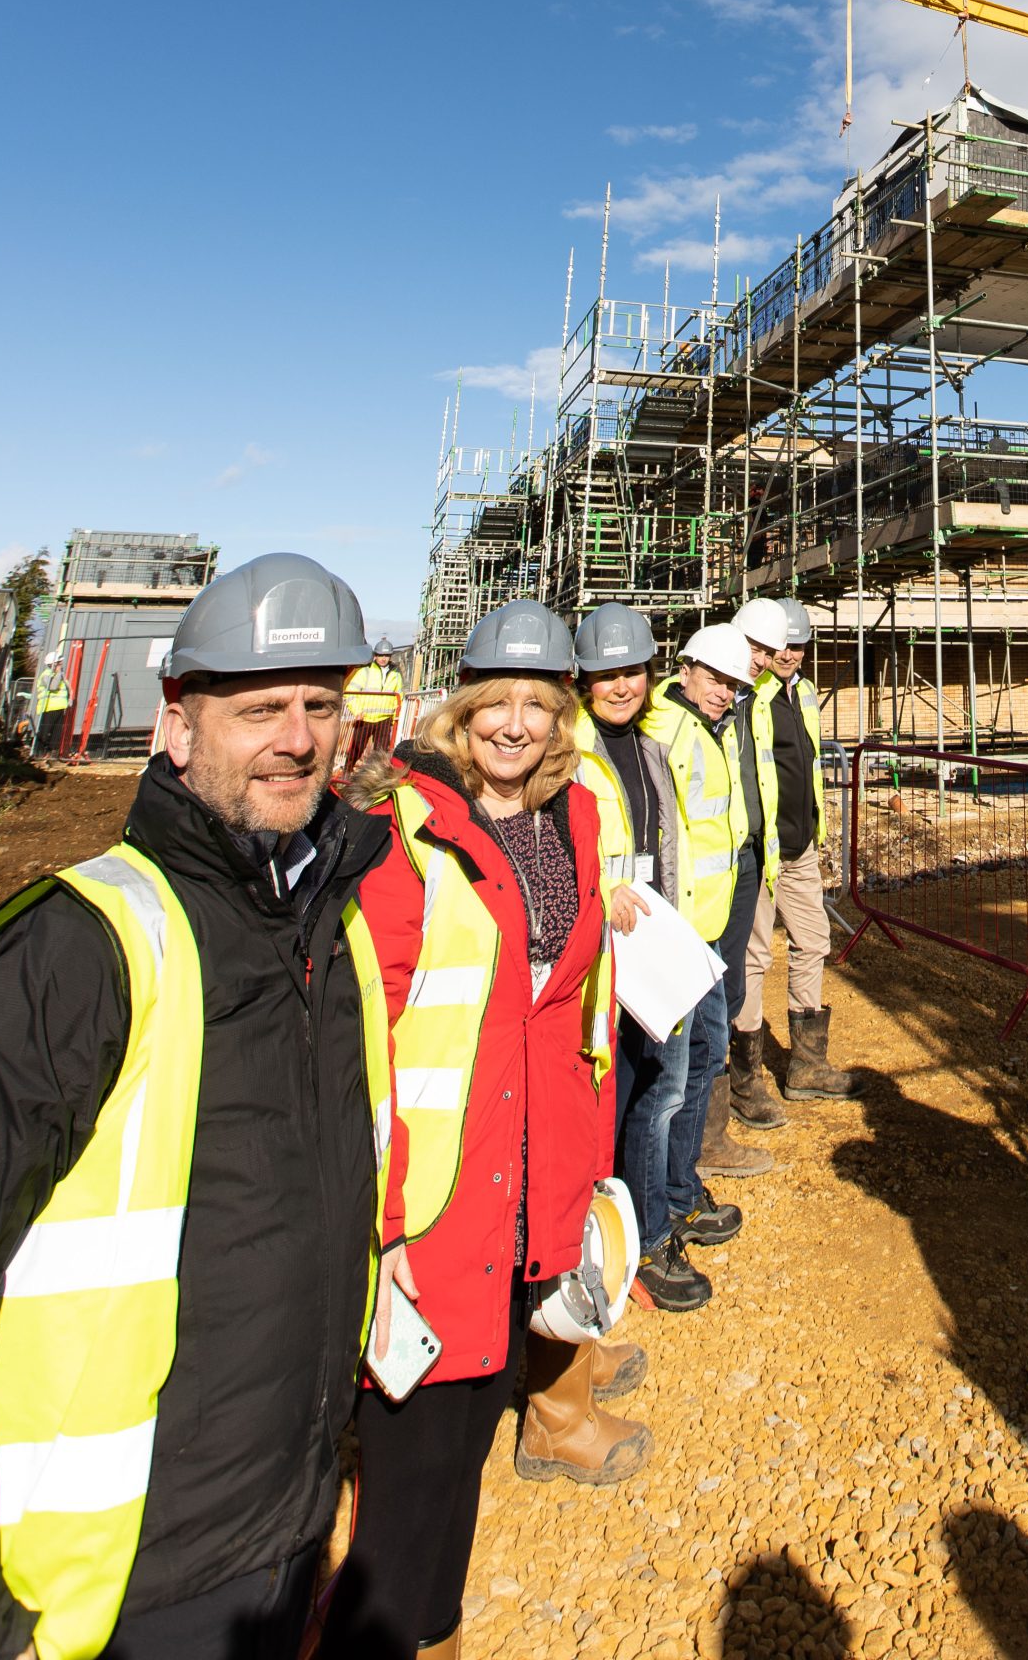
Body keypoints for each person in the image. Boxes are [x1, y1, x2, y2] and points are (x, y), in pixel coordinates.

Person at [0, 552, 396, 1660]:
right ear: (179, 722)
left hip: (281, 1521)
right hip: (107, 1582)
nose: (298, 736)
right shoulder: (78, 945)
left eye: (321, 705)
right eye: (258, 709)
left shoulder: (328, 925)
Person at [325, 598, 643, 1660]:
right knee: (411, 1468)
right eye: (495, 703)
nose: (516, 725)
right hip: (431, 1204)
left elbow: (573, 1011)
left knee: (459, 1452)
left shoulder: (576, 818)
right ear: (460, 709)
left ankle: (435, 1629)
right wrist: (384, 1222)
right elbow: (365, 1032)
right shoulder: (403, 827)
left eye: (539, 705)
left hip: (532, 1185)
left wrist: (583, 1183)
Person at [570, 603, 721, 1313]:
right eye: (607, 675)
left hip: (657, 948)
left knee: (661, 1090)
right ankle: (641, 1236)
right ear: (582, 681)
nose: (622, 686)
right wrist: (603, 892)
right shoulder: (567, 752)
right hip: (606, 957)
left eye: (632, 671)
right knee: (634, 1095)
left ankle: (650, 1221)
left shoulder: (650, 747)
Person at [638, 623, 771, 1300]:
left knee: (704, 1058)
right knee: (667, 1080)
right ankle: (653, 1222)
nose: (726, 693)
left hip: (712, 932)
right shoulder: (663, 727)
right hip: (674, 937)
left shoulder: (715, 727)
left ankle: (682, 1187)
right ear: (686, 669)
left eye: (735, 685)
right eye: (717, 679)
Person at [728, 597, 854, 1118]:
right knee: (755, 957)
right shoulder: (743, 693)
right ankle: (745, 1079)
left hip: (800, 848)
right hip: (761, 849)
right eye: (783, 645)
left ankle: (806, 1065)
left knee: (813, 942)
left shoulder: (802, 693)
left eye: (800, 645)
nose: (791, 655)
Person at [342, 636, 406, 773]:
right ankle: (346, 773)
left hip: (384, 718)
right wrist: (357, 711)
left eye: (386, 655)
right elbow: (351, 692)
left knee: (380, 753)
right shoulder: (365, 671)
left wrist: (395, 716)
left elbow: (399, 695)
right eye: (380, 655)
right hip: (365, 718)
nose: (383, 658)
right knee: (356, 749)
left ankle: (375, 777)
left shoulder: (396, 674)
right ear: (375, 656)